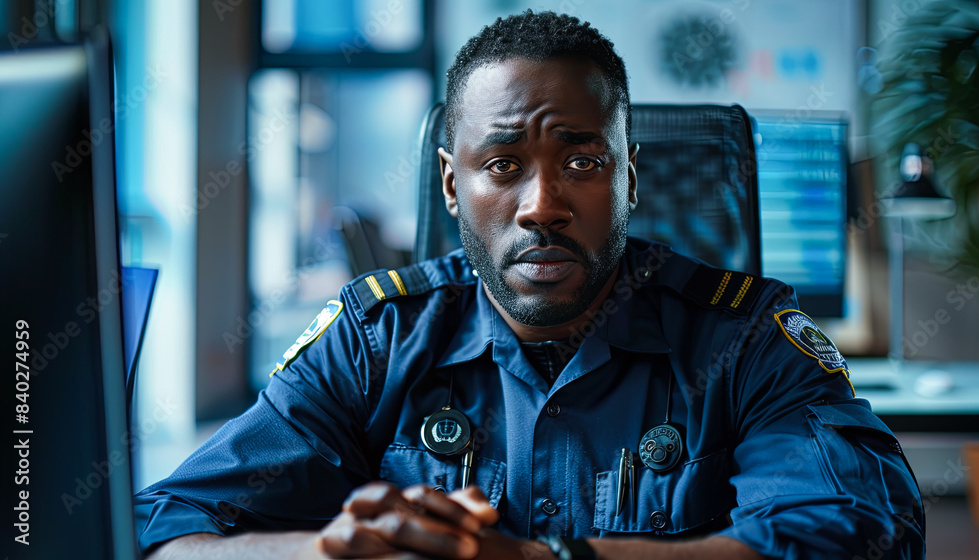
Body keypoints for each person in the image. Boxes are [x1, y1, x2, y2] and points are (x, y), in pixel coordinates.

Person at [136, 10, 925, 560]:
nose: (543, 206)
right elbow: (165, 527)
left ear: (630, 177)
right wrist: (333, 550)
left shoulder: (747, 338)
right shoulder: (376, 339)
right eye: (502, 165)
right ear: (452, 186)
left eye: (582, 163)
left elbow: (864, 532)